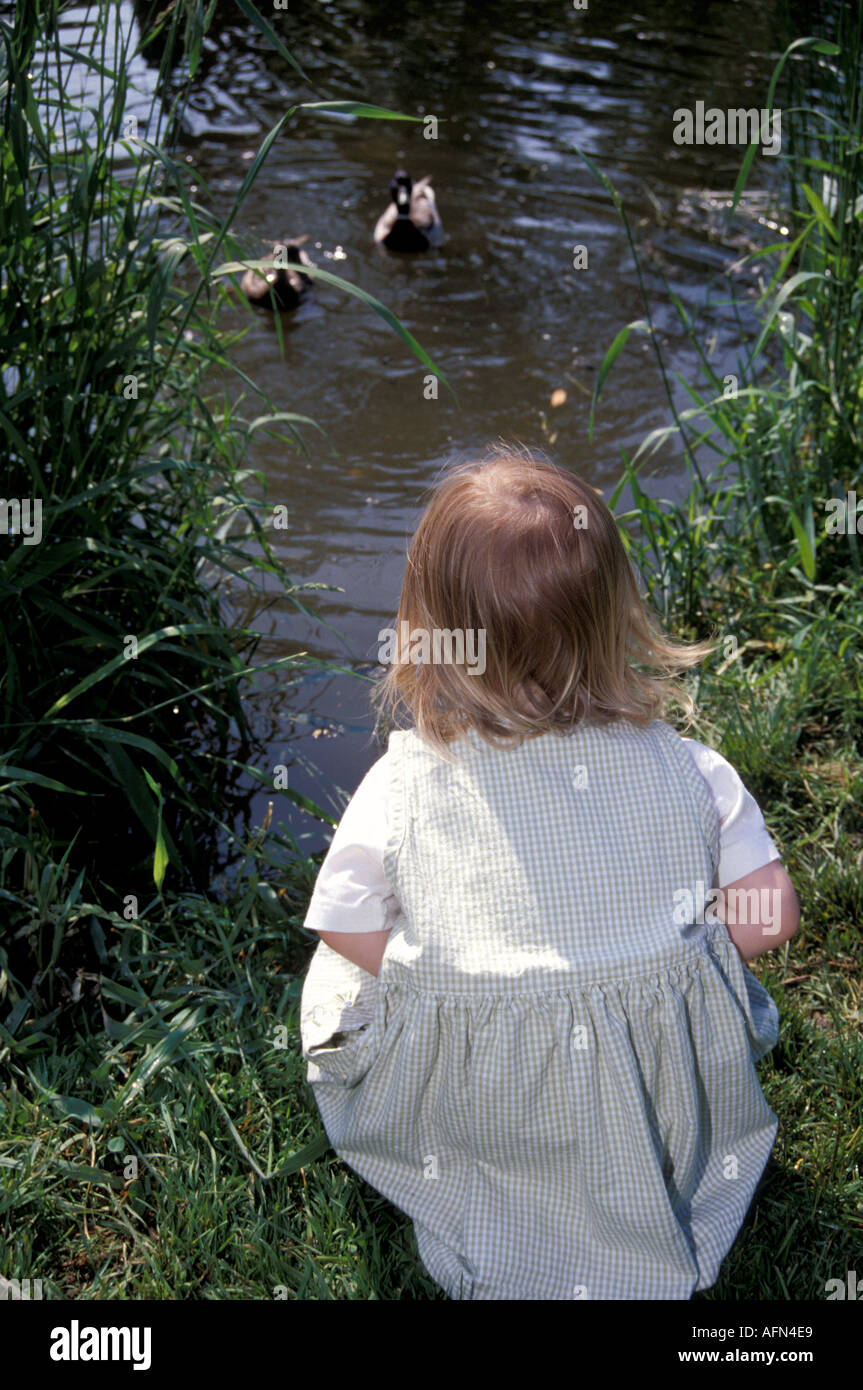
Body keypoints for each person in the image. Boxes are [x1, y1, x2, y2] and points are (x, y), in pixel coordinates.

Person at [299, 447, 799, 1300]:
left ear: (432, 632)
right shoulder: (689, 769)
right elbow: (768, 919)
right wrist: (667, 974)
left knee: (339, 965)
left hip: (480, 1094)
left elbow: (347, 922)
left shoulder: (407, 779)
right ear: (613, 617)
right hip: (652, 1085)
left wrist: (445, 983)